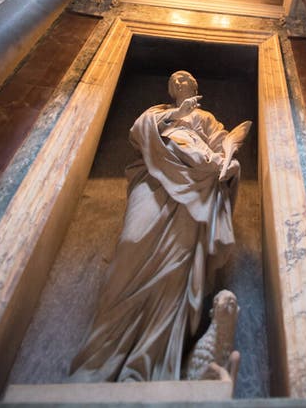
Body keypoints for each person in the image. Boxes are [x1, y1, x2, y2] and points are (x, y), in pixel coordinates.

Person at [70, 70, 250, 382]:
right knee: (131, 243)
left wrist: (229, 164)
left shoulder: (207, 119)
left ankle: (147, 366)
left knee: (177, 267)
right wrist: (175, 117)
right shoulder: (158, 114)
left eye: (186, 79)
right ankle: (99, 361)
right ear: (171, 90)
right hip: (154, 183)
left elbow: (225, 147)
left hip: (195, 191)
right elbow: (138, 133)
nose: (181, 81)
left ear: (195, 85)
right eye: (175, 80)